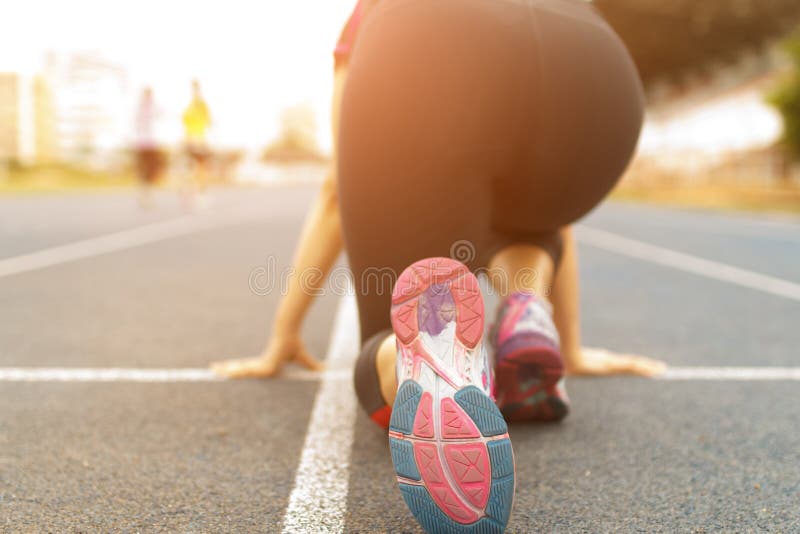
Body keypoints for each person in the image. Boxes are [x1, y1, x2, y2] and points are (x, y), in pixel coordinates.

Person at [213, 0, 666, 531]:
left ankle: (428, 348)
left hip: (435, 37)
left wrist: (283, 334)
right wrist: (571, 347)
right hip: (597, 70)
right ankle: (527, 307)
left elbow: (339, 189)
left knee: (391, 337)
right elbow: (553, 211)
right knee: (530, 207)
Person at [182, 79, 212, 208]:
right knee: (198, 168)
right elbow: (208, 122)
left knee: (197, 168)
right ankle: (196, 195)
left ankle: (194, 194)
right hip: (195, 140)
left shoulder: (195, 105)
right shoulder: (195, 105)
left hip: (196, 139)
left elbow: (208, 121)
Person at [134, 87, 164, 208]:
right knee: (145, 170)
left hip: (148, 143)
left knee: (149, 171)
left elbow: (162, 114)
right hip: (145, 144)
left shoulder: (149, 107)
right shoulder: (144, 107)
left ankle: (147, 193)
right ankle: (145, 193)